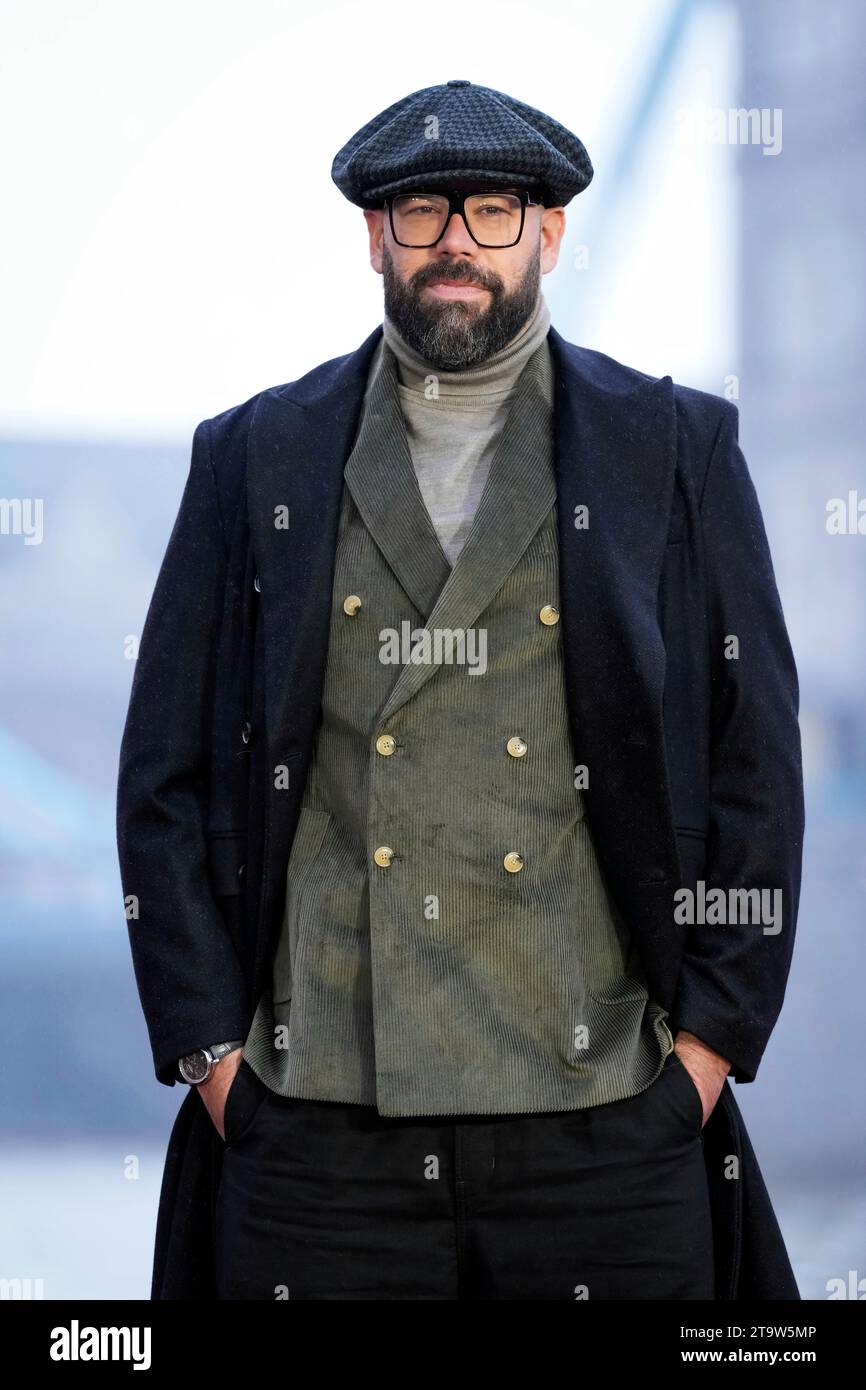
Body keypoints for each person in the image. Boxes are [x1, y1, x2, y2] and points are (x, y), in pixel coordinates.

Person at [117, 79, 805, 1300]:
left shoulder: (672, 448)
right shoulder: (255, 453)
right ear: (372, 238)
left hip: (601, 1121)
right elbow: (161, 777)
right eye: (419, 213)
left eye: (489, 212)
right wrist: (215, 1058)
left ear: (546, 234)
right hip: (320, 1128)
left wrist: (706, 1050)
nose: (453, 245)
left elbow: (754, 760)